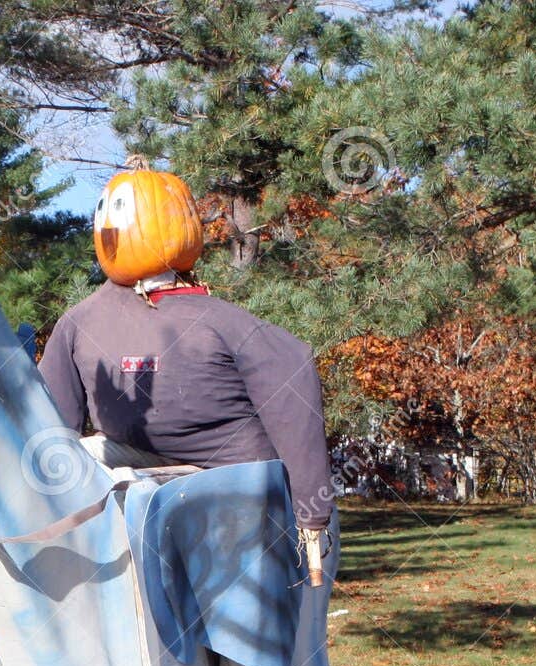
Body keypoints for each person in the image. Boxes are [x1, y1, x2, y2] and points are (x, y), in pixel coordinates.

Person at [38, 181, 334, 538]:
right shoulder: (80, 322)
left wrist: (310, 510)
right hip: (131, 462)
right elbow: (53, 422)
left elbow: (291, 381)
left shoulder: (221, 321)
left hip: (231, 475)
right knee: (79, 459)